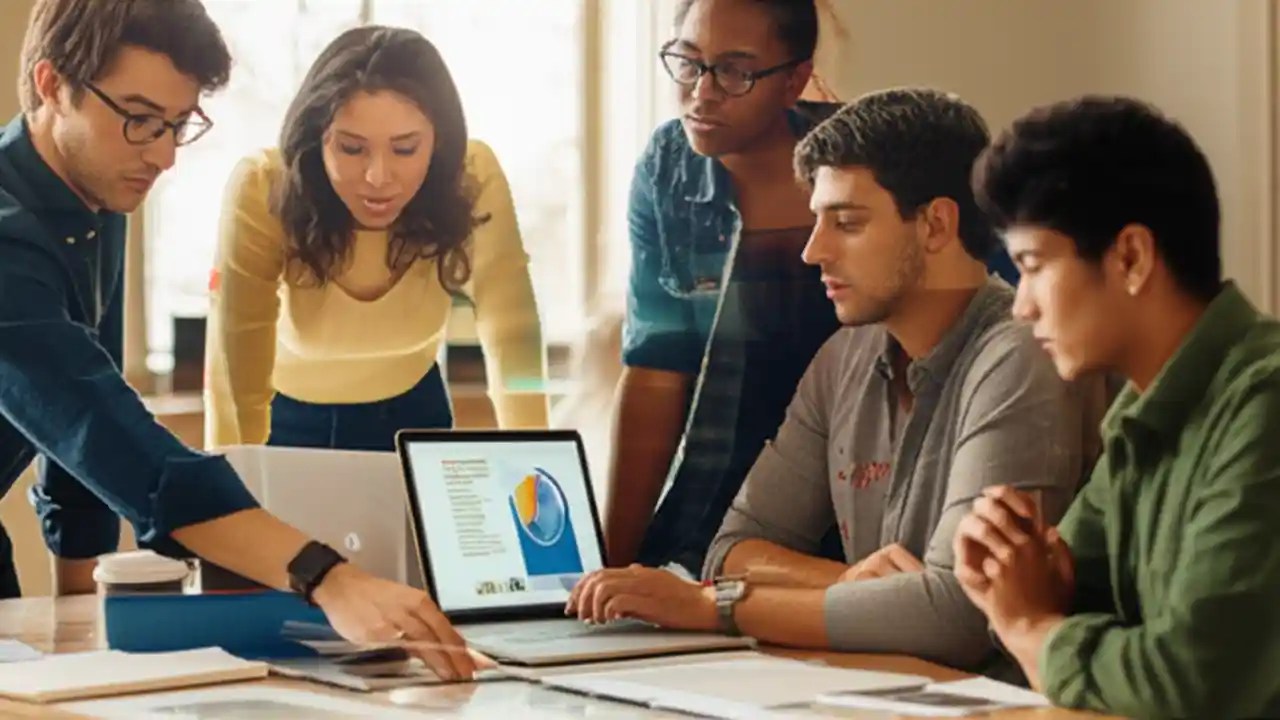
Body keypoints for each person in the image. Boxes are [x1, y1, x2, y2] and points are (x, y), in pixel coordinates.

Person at [0, 0, 475, 681]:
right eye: (138, 118)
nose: (162, 155)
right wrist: (328, 578)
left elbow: (74, 452)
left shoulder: (96, 193)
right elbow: (105, 434)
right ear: (51, 85)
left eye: (177, 124)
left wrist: (80, 624)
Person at [569, 88, 1106, 672]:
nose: (811, 251)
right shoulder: (842, 358)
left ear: (935, 225)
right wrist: (853, 584)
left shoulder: (1020, 355)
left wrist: (715, 609)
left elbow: (957, 613)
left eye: (846, 223)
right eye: (815, 221)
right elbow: (732, 550)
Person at [609, 0, 1020, 573]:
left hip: (869, 512)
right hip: (729, 515)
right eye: (687, 61)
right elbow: (656, 368)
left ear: (795, 79)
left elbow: (986, 291)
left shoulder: (865, 163)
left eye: (735, 71)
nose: (702, 94)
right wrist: (612, 558)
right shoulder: (668, 168)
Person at [954, 96, 1280, 717]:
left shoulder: (1266, 402)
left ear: (1130, 258)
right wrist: (1007, 572)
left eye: (1032, 265)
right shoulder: (1142, 406)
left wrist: (1027, 625)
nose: (1021, 307)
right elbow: (1060, 596)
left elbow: (1189, 682)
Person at [205, 26, 547, 452]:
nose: (378, 178)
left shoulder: (471, 175)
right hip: (284, 417)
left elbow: (512, 328)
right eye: (351, 149)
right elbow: (235, 362)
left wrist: (538, 457)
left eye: (405, 150)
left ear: (439, 143)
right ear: (316, 140)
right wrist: (232, 481)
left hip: (414, 411)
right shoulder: (262, 187)